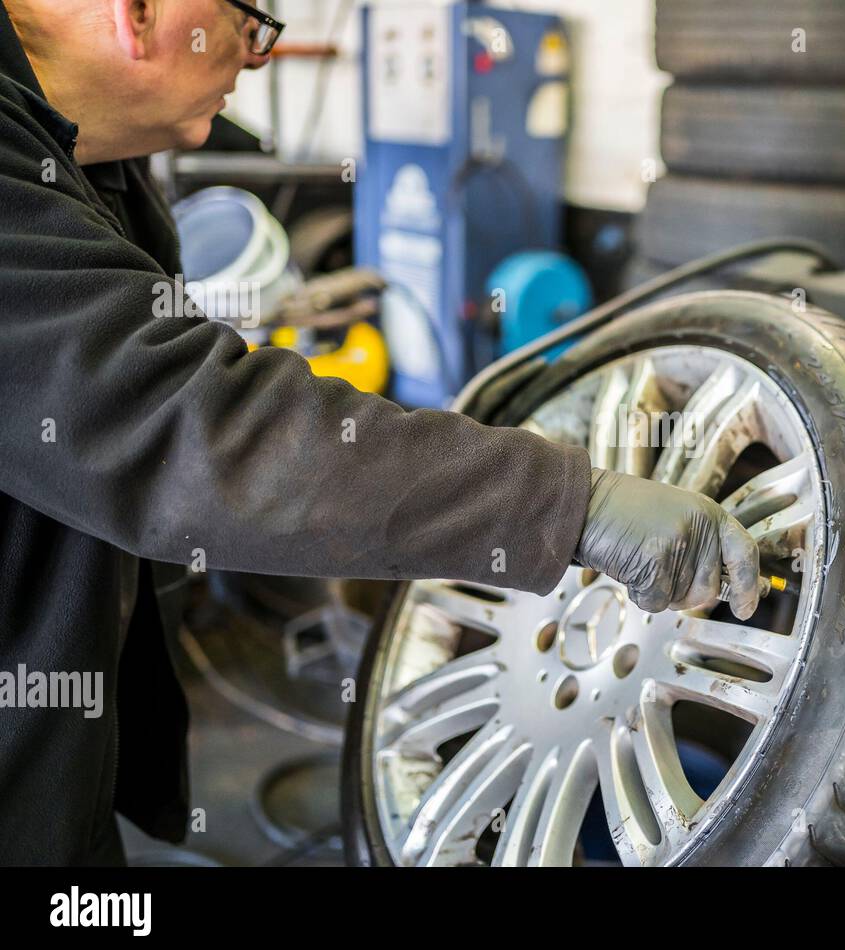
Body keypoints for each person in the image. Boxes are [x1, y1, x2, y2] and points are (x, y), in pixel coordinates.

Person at [0, 0, 760, 865]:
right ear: (139, 14)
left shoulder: (93, 162)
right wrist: (573, 505)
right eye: (251, 24)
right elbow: (196, 429)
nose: (255, 60)